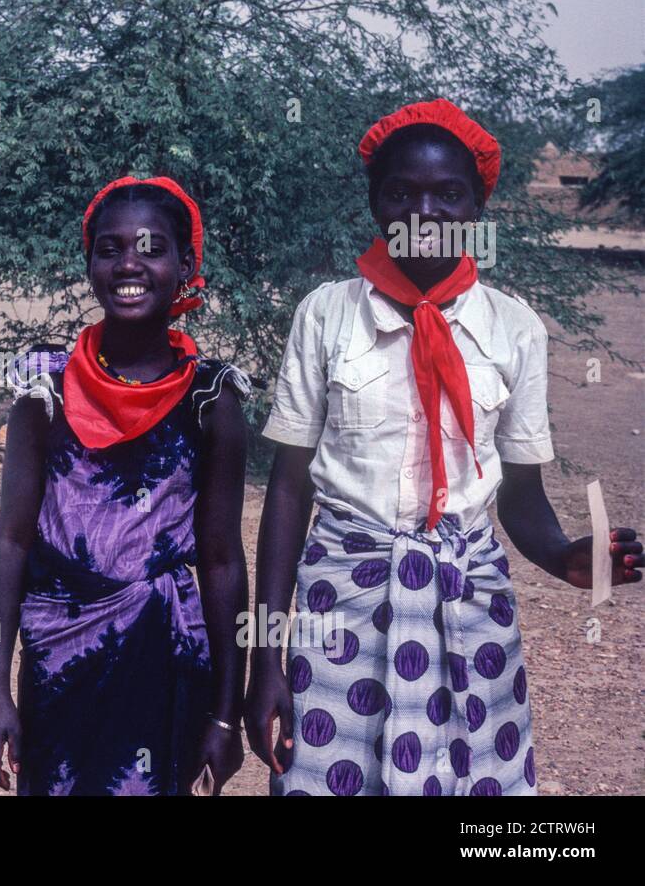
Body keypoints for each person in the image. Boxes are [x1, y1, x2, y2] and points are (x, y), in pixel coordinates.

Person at [246, 99, 644, 796]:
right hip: (340, 601)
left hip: (469, 605)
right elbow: (288, 488)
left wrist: (565, 556)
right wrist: (267, 659)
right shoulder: (327, 313)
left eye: (447, 195)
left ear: (477, 207)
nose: (423, 215)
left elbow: (521, 497)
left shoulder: (513, 328)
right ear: (375, 201)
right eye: (402, 193)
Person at [0, 176, 251, 796]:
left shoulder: (211, 399)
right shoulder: (44, 387)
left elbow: (223, 560)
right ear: (91, 262)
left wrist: (225, 711)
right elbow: (12, 542)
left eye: (151, 248)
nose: (129, 263)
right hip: (58, 659)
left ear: (185, 265)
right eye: (110, 248)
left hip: (168, 663)